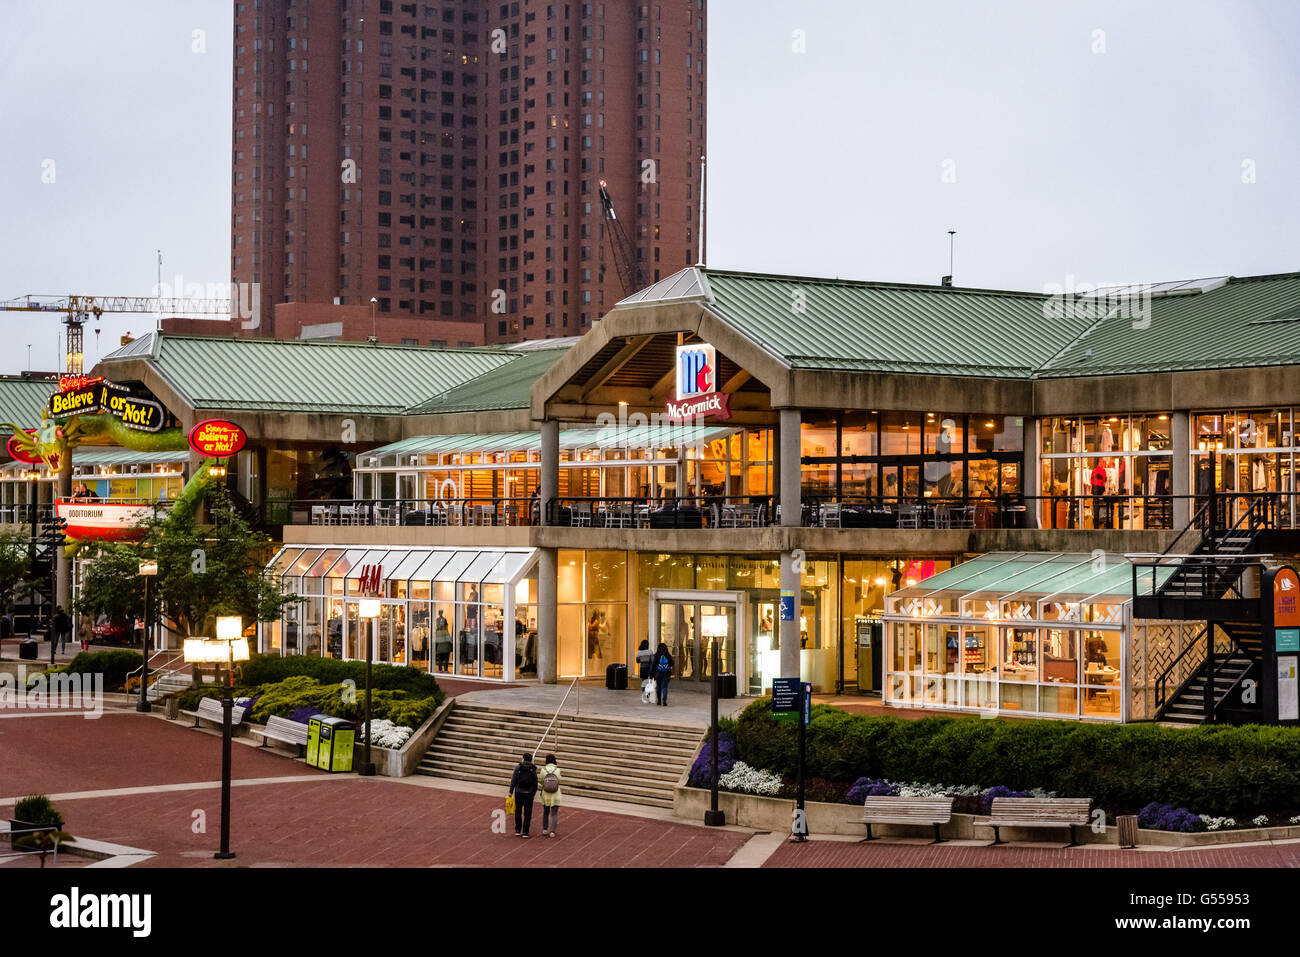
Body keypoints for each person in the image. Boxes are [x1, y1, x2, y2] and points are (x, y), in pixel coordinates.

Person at [508, 752, 539, 838]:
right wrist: (533, 793)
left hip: (518, 792)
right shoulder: (533, 769)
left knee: (518, 811)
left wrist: (511, 791)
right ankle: (525, 832)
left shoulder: (518, 767)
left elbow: (513, 780)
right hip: (528, 793)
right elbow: (535, 783)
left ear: (523, 759)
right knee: (527, 813)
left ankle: (518, 830)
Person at [538, 753, 562, 838]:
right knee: (554, 813)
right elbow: (559, 780)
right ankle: (552, 831)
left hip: (546, 793)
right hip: (555, 794)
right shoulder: (557, 770)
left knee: (546, 812)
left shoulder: (543, 770)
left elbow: (540, 780)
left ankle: (545, 829)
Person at [651, 641, 674, 706]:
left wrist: (652, 674)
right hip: (666, 673)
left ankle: (659, 701)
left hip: (658, 673)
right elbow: (672, 663)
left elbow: (653, 665)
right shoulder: (667, 655)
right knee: (664, 687)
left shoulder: (656, 655)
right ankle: (664, 700)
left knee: (658, 687)